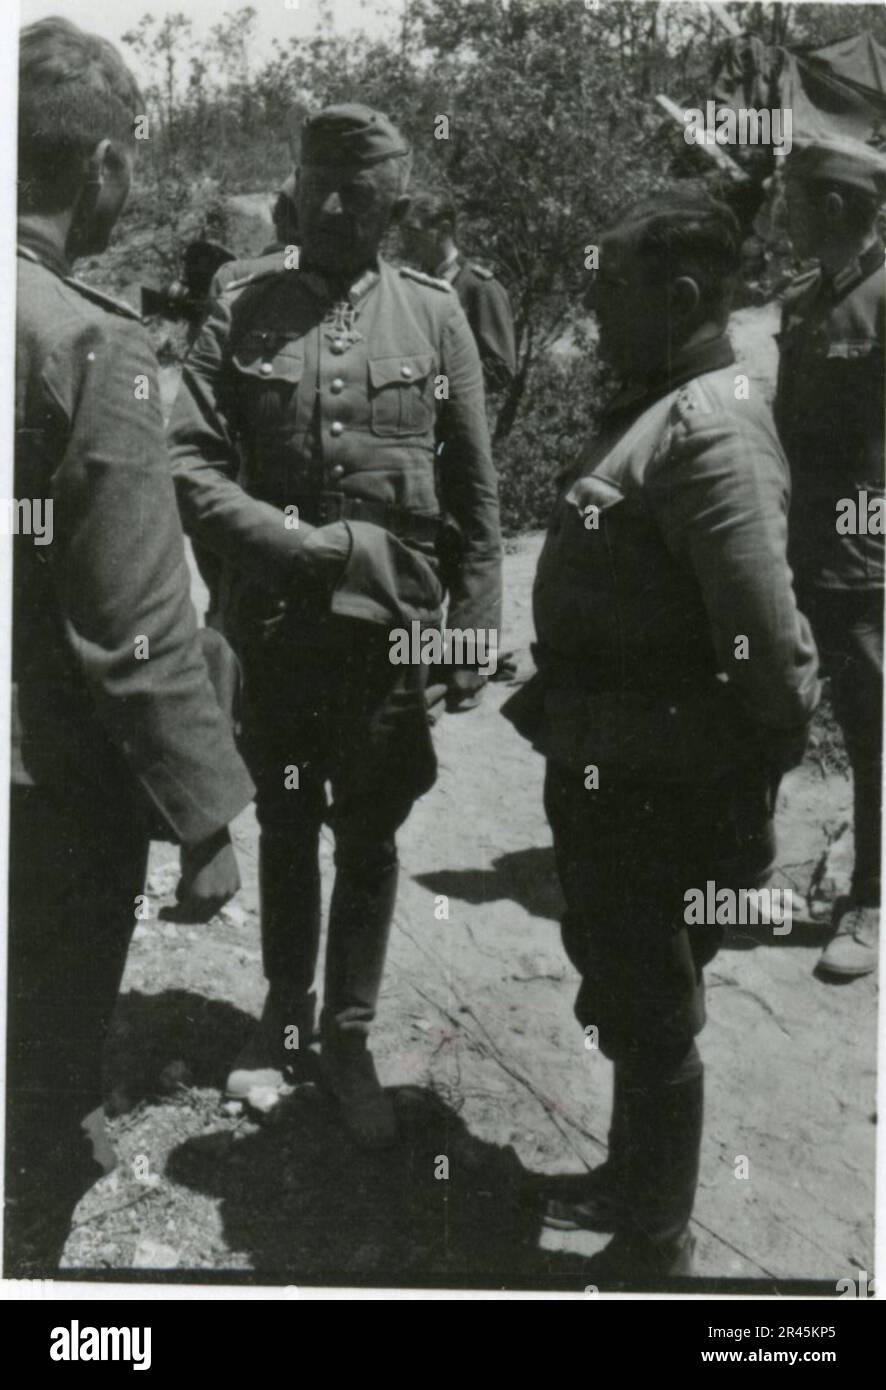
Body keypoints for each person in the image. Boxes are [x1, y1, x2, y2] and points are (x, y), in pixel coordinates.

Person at [167, 104, 502, 1147]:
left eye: (366, 199)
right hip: (274, 628)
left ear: (395, 208)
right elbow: (187, 461)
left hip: (387, 637)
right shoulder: (241, 306)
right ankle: (282, 1010)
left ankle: (348, 1033)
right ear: (300, 193)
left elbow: (472, 487)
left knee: (369, 833)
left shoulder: (435, 314)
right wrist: (285, 542)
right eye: (326, 193)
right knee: (284, 819)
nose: (343, 212)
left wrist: (473, 628)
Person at [503, 192, 818, 1283]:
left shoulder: (713, 427)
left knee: (653, 1004)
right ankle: (631, 1183)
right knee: (630, 990)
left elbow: (767, 647)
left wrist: (749, 778)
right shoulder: (664, 402)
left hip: (659, 778)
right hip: (614, 760)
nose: (593, 313)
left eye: (608, 294)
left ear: (680, 299)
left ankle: (654, 1242)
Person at [9, 18, 255, 1275]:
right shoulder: (89, 340)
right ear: (103, 167)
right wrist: (207, 817)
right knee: (34, 1091)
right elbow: (136, 616)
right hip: (45, 801)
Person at [775, 136, 886, 980]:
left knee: (871, 729)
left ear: (838, 208)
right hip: (800, 545)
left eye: (797, 199)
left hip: (867, 555)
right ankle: (758, 868)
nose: (785, 213)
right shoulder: (800, 301)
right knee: (776, 702)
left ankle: (872, 901)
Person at [400, 190, 517, 392]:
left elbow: (501, 370)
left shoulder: (480, 287)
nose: (406, 242)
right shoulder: (413, 283)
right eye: (405, 233)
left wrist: (440, 387)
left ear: (443, 231)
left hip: (453, 416)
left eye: (414, 232)